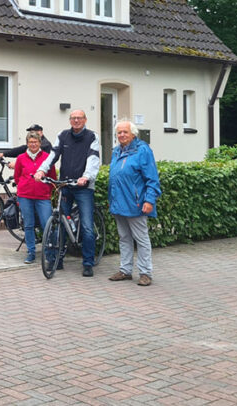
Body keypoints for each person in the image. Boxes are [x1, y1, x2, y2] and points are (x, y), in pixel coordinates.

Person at [36, 109, 101, 277]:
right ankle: (57, 259)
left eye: (79, 118)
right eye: (73, 118)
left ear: (85, 120)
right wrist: (41, 171)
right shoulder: (63, 135)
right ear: (70, 120)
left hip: (83, 187)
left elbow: (93, 159)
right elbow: (53, 155)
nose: (76, 121)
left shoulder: (92, 137)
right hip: (65, 184)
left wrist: (86, 177)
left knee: (86, 226)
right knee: (59, 222)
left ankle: (88, 263)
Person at [107, 120, 161, 286]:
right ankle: (125, 270)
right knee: (124, 238)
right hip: (118, 203)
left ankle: (145, 273)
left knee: (141, 239)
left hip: (136, 204)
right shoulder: (117, 151)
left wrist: (149, 200)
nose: (122, 135)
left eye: (125, 132)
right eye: (119, 132)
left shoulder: (142, 150)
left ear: (133, 134)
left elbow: (152, 179)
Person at [13, 131, 56, 264]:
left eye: (35, 142)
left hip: (42, 197)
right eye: (30, 142)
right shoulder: (21, 158)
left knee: (47, 224)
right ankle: (31, 252)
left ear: (40, 143)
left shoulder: (47, 157)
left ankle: (49, 253)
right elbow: (17, 176)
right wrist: (23, 187)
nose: (33, 144)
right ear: (27, 143)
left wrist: (46, 190)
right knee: (29, 225)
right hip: (25, 196)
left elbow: (53, 177)